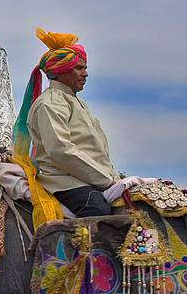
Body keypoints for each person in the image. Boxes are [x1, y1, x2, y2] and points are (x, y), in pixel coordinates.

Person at [13, 28, 117, 220]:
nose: (85, 74)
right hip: (66, 183)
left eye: (85, 67)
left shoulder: (75, 102)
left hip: (91, 179)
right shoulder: (50, 103)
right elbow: (60, 151)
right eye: (79, 68)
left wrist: (113, 179)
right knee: (100, 213)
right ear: (60, 71)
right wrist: (106, 180)